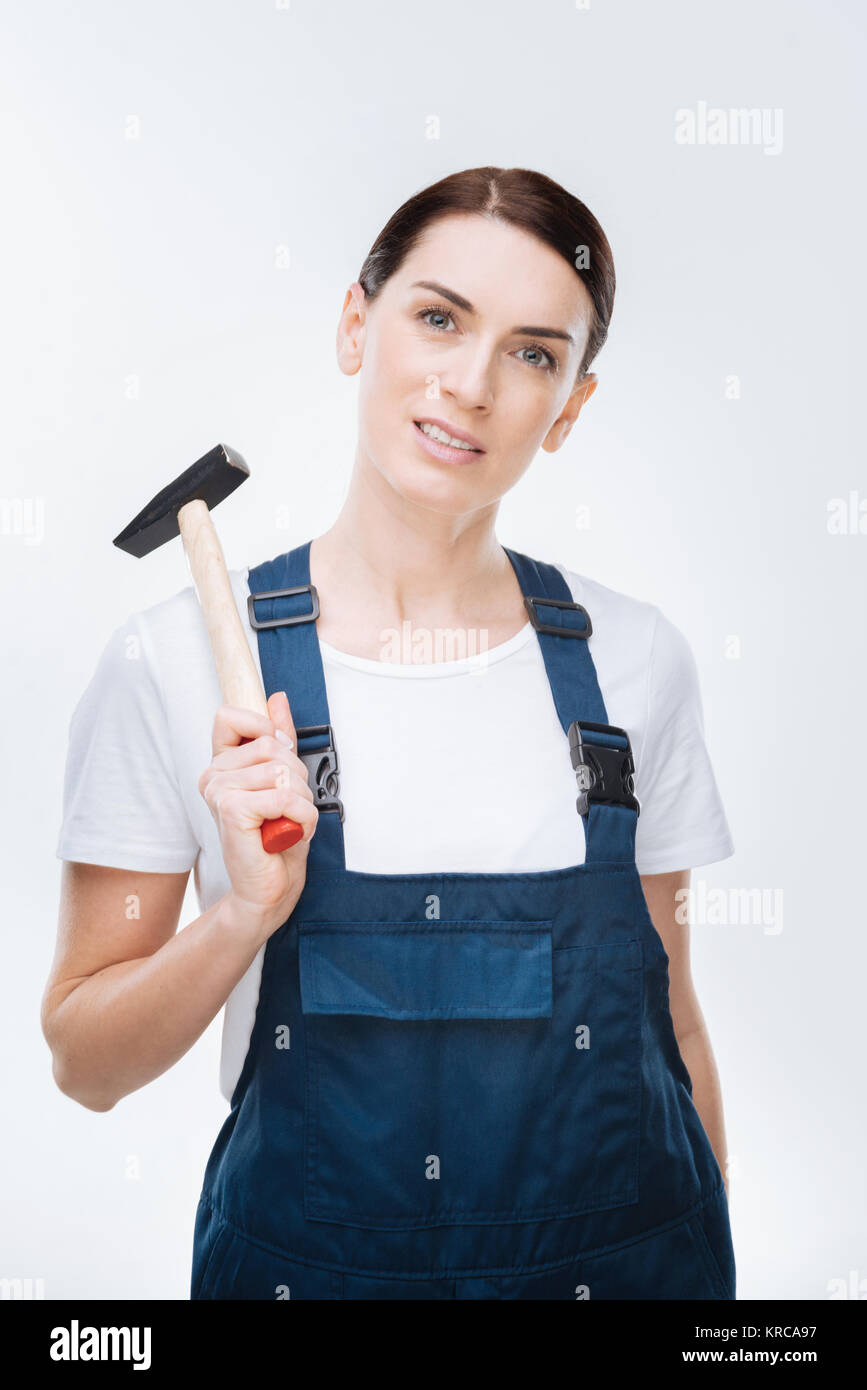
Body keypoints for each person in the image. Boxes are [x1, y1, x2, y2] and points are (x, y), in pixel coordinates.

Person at [45, 165, 737, 1300]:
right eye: (437, 318)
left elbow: (676, 1030)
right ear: (356, 324)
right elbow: (84, 1064)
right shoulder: (172, 668)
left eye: (532, 352)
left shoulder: (635, 662)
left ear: (569, 407)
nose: (470, 384)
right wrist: (243, 914)